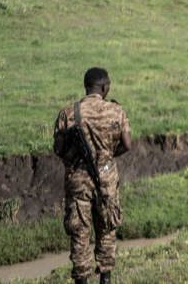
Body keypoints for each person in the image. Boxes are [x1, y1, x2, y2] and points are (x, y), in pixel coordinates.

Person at [53, 67, 132, 284]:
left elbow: (58, 149)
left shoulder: (68, 113)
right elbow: (127, 144)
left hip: (78, 181)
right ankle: (105, 278)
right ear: (105, 87)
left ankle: (82, 280)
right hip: (106, 179)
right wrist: (107, 157)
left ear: (86, 86)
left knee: (80, 233)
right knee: (106, 228)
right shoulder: (117, 111)